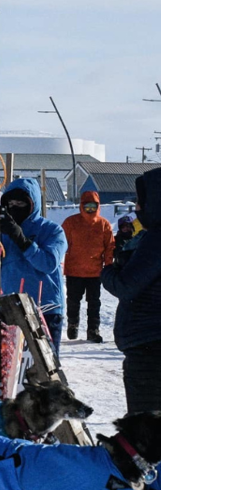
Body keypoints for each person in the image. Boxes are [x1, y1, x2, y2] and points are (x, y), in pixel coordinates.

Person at [102, 168, 161, 414]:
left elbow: (126, 286)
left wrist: (108, 271)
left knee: (144, 427)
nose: (137, 208)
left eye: (140, 201)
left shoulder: (156, 240)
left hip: (149, 346)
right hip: (151, 342)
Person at [0, 177, 68, 355]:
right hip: (11, 306)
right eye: (10, 203)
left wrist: (22, 240)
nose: (14, 207)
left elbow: (48, 263)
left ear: (32, 204)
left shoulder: (52, 230)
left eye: (20, 203)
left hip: (44, 308)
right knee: (11, 364)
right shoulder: (2, 232)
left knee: (44, 364)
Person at [62, 190, 116, 343]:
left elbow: (110, 247)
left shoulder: (104, 224)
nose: (90, 210)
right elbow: (61, 243)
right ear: (81, 206)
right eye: (87, 206)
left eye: (93, 206)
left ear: (98, 206)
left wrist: (108, 266)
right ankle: (72, 325)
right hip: (74, 271)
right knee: (73, 301)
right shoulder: (70, 223)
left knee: (94, 303)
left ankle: (93, 330)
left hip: (95, 272)